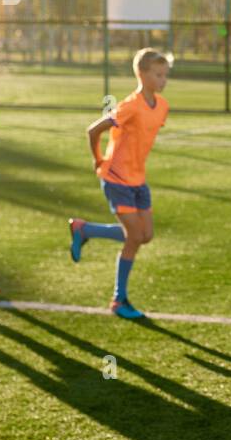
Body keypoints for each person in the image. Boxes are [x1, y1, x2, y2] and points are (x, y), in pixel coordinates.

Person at [68, 48, 170, 320]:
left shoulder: (162, 106)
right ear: (142, 74)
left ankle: (84, 229)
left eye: (165, 75)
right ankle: (118, 300)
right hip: (116, 178)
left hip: (138, 179)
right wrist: (98, 159)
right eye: (158, 75)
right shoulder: (129, 106)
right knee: (134, 237)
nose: (163, 80)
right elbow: (93, 130)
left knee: (145, 235)